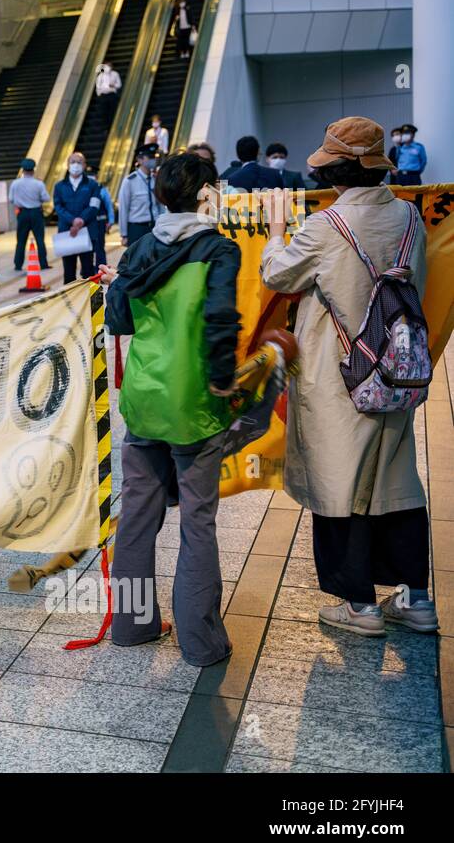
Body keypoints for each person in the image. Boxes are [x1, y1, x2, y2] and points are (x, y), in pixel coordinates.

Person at [260, 116, 437, 637]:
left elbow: (278, 275)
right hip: (396, 370)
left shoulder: (325, 227)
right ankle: (415, 598)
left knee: (340, 484)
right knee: (396, 480)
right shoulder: (409, 217)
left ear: (336, 172)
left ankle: (360, 606)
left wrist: (274, 234)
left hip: (338, 378)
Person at [102, 150, 240, 666]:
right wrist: (225, 381)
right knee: (197, 522)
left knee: (137, 516)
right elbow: (221, 318)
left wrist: (119, 281)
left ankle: (132, 627)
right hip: (194, 403)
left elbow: (119, 320)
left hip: (142, 400)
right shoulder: (219, 250)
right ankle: (201, 644)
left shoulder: (138, 249)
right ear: (206, 194)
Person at [53, 151, 100, 283]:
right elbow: (58, 207)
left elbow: (94, 206)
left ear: (84, 165)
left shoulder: (92, 185)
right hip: (67, 234)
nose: (76, 165)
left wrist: (81, 220)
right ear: (67, 165)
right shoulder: (59, 186)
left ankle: (94, 303)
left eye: (79, 162)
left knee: (89, 272)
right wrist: (73, 220)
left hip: (87, 233)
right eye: (72, 162)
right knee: (68, 273)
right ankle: (71, 303)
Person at [9, 158, 50, 270]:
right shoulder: (39, 183)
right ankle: (43, 264)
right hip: (36, 213)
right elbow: (46, 198)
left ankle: (18, 265)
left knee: (21, 240)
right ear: (33, 170)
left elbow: (11, 199)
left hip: (22, 213)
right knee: (40, 240)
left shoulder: (15, 183)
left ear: (23, 170)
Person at [117, 143, 161, 245]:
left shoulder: (156, 179)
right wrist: (124, 234)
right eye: (149, 157)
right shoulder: (130, 181)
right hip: (137, 229)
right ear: (140, 160)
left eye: (154, 157)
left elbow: (160, 205)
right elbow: (123, 208)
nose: (153, 160)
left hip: (155, 227)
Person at [87, 164, 114, 267]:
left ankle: (101, 268)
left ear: (97, 176)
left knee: (99, 246)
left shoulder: (102, 189)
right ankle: (87, 269)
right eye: (89, 175)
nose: (91, 177)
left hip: (99, 222)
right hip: (87, 223)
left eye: (93, 175)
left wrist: (111, 221)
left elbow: (109, 206)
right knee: (87, 247)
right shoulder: (84, 189)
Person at [94, 60, 122, 126]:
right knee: (104, 112)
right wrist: (99, 95)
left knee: (112, 111)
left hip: (112, 95)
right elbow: (98, 86)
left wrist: (113, 85)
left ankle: (112, 125)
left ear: (112, 67)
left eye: (109, 66)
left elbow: (119, 84)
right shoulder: (100, 76)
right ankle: (105, 126)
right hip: (103, 96)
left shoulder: (115, 74)